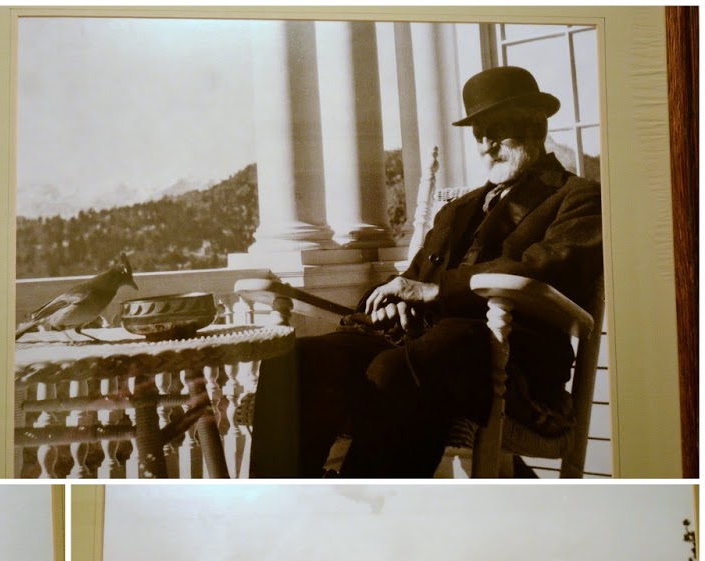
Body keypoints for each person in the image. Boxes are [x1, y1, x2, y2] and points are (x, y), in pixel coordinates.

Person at [252, 65, 602, 477]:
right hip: (421, 340)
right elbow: (412, 278)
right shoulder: (459, 208)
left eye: (498, 128)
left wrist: (434, 293)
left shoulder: (577, 197)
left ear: (535, 124)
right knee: (294, 362)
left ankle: (372, 518)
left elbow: (544, 269)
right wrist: (389, 300)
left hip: (506, 353)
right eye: (478, 133)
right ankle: (278, 509)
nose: (486, 145)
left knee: (394, 373)